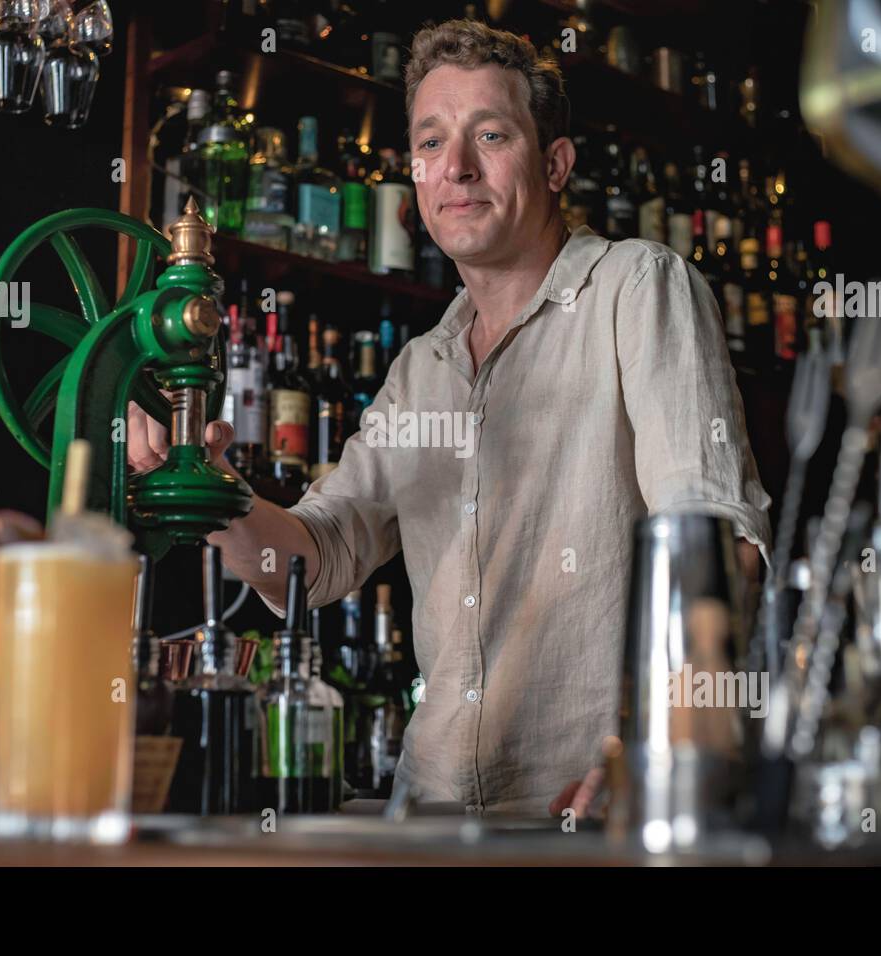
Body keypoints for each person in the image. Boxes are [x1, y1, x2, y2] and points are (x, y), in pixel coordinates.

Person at [128, 19, 771, 817]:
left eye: (491, 135)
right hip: (430, 815)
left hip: (593, 809)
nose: (457, 167)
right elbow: (316, 559)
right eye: (431, 143)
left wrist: (660, 749)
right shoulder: (420, 370)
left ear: (556, 163)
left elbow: (715, 546)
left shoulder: (637, 291)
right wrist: (204, 485)